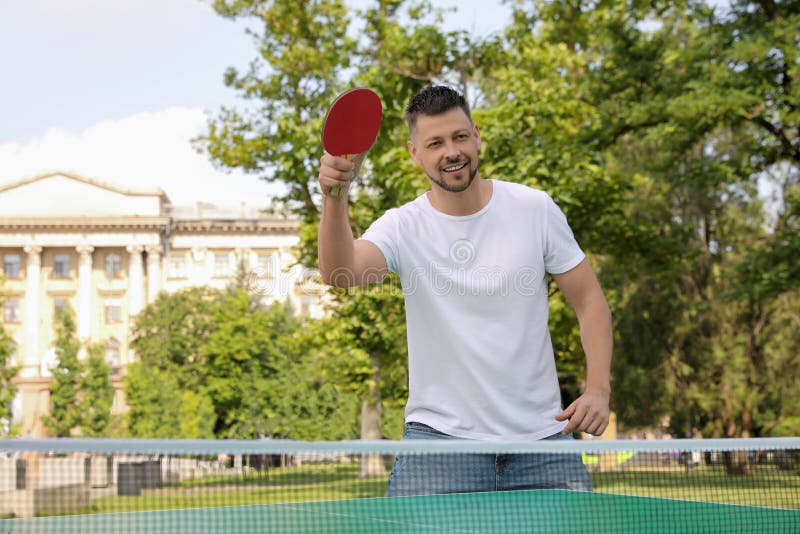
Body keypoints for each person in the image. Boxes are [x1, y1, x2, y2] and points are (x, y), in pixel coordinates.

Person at [317, 85, 612, 496]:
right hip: (439, 446)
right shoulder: (403, 226)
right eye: (434, 143)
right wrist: (335, 198)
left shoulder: (535, 208)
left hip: (542, 442)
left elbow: (589, 300)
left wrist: (598, 389)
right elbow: (340, 271)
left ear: (477, 135)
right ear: (414, 153)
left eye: (459, 137)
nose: (450, 151)